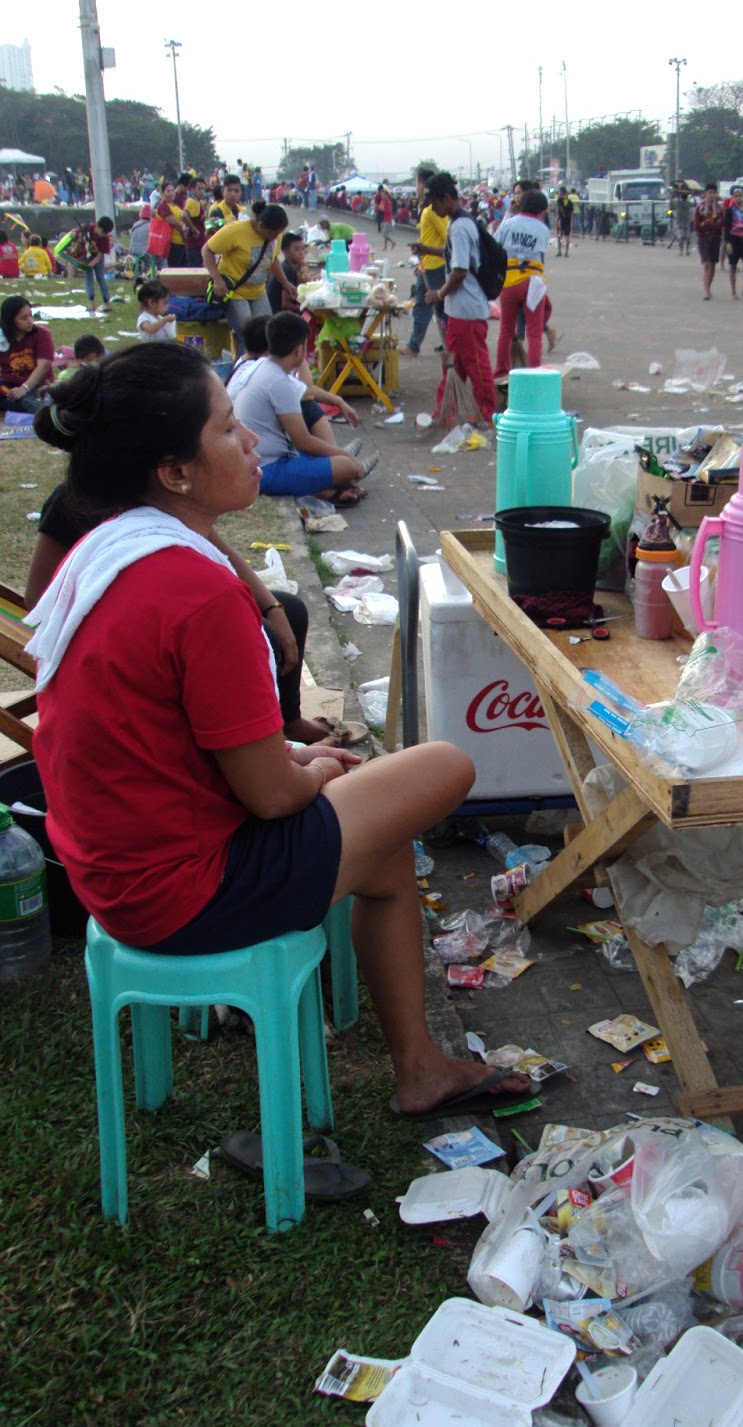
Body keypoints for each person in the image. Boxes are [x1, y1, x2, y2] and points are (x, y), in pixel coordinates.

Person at [26, 346, 528, 1119]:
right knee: (444, 767)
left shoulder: (109, 547)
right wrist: (317, 773)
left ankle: (422, 1068)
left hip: (111, 868)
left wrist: (292, 756)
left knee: (384, 838)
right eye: (230, 431)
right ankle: (420, 1068)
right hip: (180, 890)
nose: (255, 441)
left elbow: (164, 737)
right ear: (176, 472)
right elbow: (267, 800)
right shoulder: (193, 591)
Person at [233, 312, 374, 504]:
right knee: (346, 466)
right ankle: (336, 480)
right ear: (299, 351)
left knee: (333, 457)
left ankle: (331, 480)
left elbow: (307, 391)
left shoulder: (263, 367)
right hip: (267, 468)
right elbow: (303, 441)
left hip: (258, 461)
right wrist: (344, 455)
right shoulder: (278, 381)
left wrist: (338, 401)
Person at [423, 173, 497, 424]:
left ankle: (488, 415)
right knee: (453, 367)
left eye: (434, 203)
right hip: (458, 312)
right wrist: (426, 249)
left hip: (467, 311)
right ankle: (446, 411)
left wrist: (439, 294)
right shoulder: (460, 223)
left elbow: (460, 271)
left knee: (477, 368)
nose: (432, 208)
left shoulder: (460, 227)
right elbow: (453, 256)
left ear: (446, 198)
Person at [202, 203, 292, 352]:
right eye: (274, 233)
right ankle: (242, 371)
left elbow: (272, 259)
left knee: (267, 334)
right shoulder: (235, 231)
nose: (276, 237)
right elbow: (207, 250)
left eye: (279, 233)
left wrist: (285, 283)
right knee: (248, 337)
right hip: (235, 292)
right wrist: (217, 279)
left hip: (258, 292)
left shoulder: (276, 235)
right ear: (261, 225)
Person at [494, 188, 551, 379]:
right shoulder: (543, 229)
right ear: (542, 211)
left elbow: (495, 245)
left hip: (510, 281)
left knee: (506, 330)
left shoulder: (508, 224)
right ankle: (533, 374)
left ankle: (501, 371)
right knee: (534, 332)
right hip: (533, 282)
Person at [405, 169, 449, 357]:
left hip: (434, 266)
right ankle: (448, 343)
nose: (416, 188)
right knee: (440, 307)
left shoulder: (433, 211)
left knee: (423, 305)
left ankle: (414, 345)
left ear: (423, 184)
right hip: (429, 264)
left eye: (416, 184)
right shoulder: (427, 210)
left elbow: (447, 237)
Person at [0, 296, 55, 412]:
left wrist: (24, 388)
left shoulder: (41, 334)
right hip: (9, 387)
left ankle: (27, 404)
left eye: (30, 315)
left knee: (34, 397)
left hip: (36, 386)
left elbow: (43, 366)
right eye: (24, 318)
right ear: (11, 320)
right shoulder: (2, 338)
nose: (30, 321)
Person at [693, 182, 724, 300]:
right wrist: (708, 225)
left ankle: (708, 287)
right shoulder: (700, 208)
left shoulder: (719, 209)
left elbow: (721, 224)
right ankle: (705, 291)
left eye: (713, 193)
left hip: (715, 238)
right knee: (706, 264)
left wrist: (709, 225)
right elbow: (697, 226)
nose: (711, 195)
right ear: (705, 193)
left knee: (712, 265)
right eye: (709, 193)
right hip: (703, 238)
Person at [268, 231, 306, 314]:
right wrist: (304, 307)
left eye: (303, 249)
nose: (301, 253)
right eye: (296, 249)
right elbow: (285, 304)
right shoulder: (288, 270)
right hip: (278, 314)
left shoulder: (288, 266)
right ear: (285, 252)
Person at [136, 279, 177, 343]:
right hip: (150, 350)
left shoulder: (159, 317)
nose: (167, 306)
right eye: (164, 303)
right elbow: (150, 329)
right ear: (152, 303)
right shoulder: (144, 318)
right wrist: (165, 320)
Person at [555, 186, 574, 258]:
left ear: (562, 192)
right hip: (568, 220)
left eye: (559, 191)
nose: (558, 193)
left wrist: (562, 215)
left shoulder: (559, 200)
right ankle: (566, 252)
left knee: (559, 235)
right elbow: (571, 212)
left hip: (561, 219)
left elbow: (559, 208)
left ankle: (559, 251)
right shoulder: (569, 202)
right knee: (567, 236)